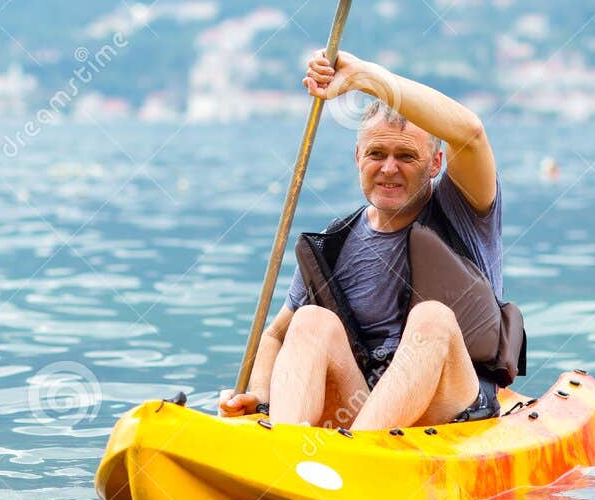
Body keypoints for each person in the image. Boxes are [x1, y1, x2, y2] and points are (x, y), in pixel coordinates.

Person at [218, 47, 509, 430]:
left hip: (449, 405)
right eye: (377, 153)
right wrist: (260, 399)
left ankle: (359, 450)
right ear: (358, 157)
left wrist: (366, 79)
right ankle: (282, 446)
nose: (389, 168)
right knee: (308, 321)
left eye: (406, 156)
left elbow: (470, 133)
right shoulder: (334, 243)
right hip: (366, 409)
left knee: (432, 317)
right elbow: (273, 336)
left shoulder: (463, 209)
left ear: (435, 164)